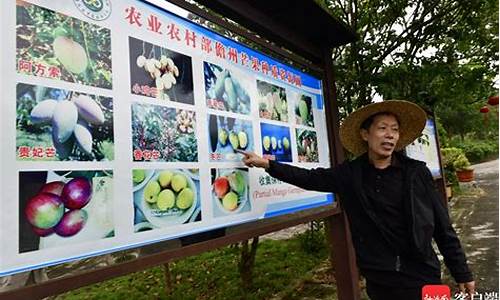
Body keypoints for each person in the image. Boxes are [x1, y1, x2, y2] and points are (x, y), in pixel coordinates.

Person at [241, 100, 474, 299]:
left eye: (394, 129)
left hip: (424, 272)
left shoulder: (416, 173)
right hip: (379, 278)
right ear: (365, 134)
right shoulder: (350, 175)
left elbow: (443, 226)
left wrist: (461, 271)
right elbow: (310, 178)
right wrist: (268, 165)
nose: (390, 135)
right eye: (382, 128)